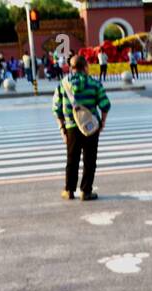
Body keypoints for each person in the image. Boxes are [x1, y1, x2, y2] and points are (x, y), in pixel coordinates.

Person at [54, 53, 110, 201]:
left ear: (71, 68)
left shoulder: (63, 84)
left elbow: (56, 108)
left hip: (71, 127)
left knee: (72, 160)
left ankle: (69, 190)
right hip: (91, 127)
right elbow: (105, 105)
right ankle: (86, 191)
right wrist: (102, 122)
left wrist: (62, 129)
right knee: (90, 160)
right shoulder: (94, 84)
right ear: (85, 67)